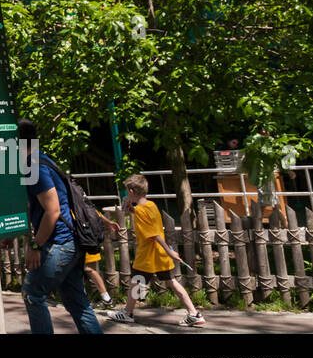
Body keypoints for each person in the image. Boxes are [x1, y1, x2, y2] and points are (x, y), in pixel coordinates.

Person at [15, 119, 101, 334]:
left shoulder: (32, 165)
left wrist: (36, 246)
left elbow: (52, 210)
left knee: (32, 293)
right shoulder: (42, 159)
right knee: (76, 302)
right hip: (72, 241)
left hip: (60, 243)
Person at [109, 174, 205, 327]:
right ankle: (194, 313)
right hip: (159, 255)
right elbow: (147, 220)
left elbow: (153, 234)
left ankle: (127, 313)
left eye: (127, 191)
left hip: (148, 256)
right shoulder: (150, 205)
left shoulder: (141, 210)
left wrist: (169, 252)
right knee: (172, 282)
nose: (127, 194)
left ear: (132, 191)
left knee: (135, 282)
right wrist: (132, 210)